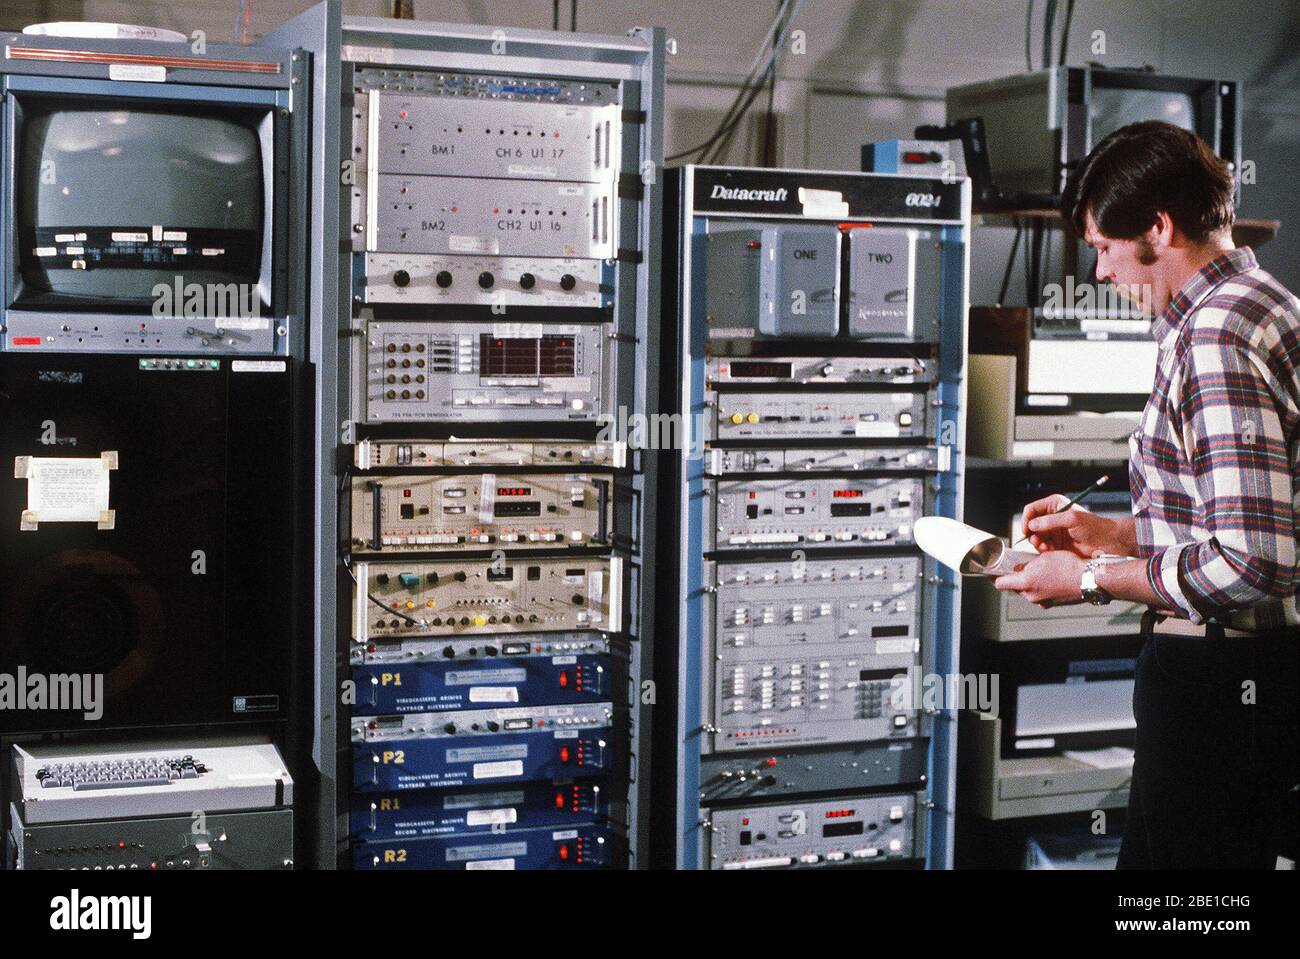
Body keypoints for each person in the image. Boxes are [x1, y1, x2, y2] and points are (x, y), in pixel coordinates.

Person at [993, 120, 1300, 869]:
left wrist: (1088, 580)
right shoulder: (1262, 303)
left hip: (1221, 682)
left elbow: (1252, 562)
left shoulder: (1215, 336)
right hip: (1254, 681)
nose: (1100, 272)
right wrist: (1112, 534)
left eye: (1103, 247)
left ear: (1158, 228)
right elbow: (1250, 514)